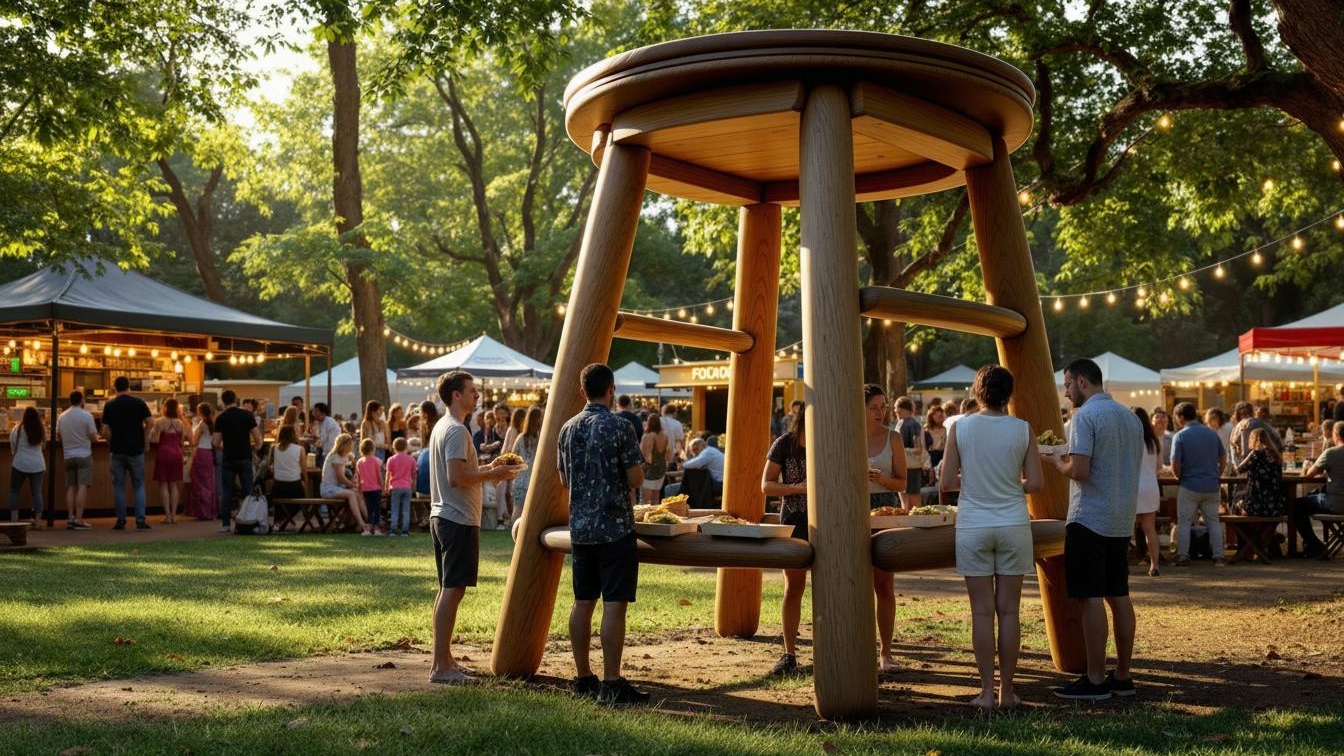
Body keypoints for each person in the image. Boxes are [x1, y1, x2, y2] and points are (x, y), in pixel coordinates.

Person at [941, 366, 1043, 710]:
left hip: (973, 524)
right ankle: (1007, 692)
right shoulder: (1023, 429)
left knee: (982, 613)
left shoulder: (960, 427)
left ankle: (985, 691)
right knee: (1010, 612)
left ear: (977, 391)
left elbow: (947, 482)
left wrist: (976, 484)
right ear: (1008, 395)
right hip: (1014, 522)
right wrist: (1011, 486)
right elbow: (1037, 483)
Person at [1046, 358, 1143, 701]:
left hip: (1089, 518)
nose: (1067, 391)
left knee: (1090, 599)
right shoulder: (1130, 417)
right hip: (1121, 518)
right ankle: (1123, 674)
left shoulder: (1084, 417)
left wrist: (1058, 462)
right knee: (1119, 596)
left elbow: (1081, 470)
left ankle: (1095, 679)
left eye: (1068, 384)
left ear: (1083, 382)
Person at [557, 364, 648, 704]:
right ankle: (612, 683)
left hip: (580, 529)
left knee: (582, 602)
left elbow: (564, 481)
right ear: (611, 388)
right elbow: (637, 479)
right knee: (614, 605)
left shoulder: (566, 429)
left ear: (582, 391)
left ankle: (583, 678)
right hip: (615, 528)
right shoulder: (620, 426)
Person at [428, 371, 518, 685]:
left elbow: (464, 472)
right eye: (472, 391)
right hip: (456, 518)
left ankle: (444, 659)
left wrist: (492, 470)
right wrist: (493, 474)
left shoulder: (445, 426)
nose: (477, 396)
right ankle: (441, 667)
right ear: (456, 395)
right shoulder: (455, 430)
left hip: (445, 517)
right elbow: (457, 478)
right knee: (452, 591)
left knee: (448, 590)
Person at [864, 384, 907, 674]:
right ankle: (858, 648)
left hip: (885, 510)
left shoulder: (894, 437)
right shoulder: (849, 434)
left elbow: (903, 482)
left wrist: (881, 480)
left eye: (883, 406)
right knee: (854, 584)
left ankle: (886, 652)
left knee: (885, 583)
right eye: (874, 407)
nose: (881, 412)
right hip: (854, 509)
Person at [762, 405, 807, 676]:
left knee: (831, 587)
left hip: (828, 522)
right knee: (793, 586)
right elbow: (766, 486)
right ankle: (789, 653)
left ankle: (832, 647)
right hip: (793, 521)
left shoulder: (830, 442)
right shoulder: (784, 444)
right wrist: (795, 489)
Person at [1170, 401, 1226, 567]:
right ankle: (1218, 556)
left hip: (1189, 485)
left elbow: (1175, 464)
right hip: (1211, 484)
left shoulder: (1180, 436)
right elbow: (1223, 458)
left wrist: (1179, 476)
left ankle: (1183, 556)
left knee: (1185, 522)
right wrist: (1217, 474)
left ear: (1181, 418)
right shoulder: (1212, 433)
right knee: (1213, 522)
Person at [102, 375, 153, 530]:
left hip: (117, 451)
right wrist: (145, 439)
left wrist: (112, 442)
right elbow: (150, 422)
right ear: (129, 386)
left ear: (114, 387)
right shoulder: (139, 403)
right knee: (138, 485)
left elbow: (105, 431)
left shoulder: (110, 404)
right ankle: (140, 520)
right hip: (136, 450)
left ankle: (121, 520)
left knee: (118, 486)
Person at [1292, 422, 1344, 558]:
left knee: (1296, 505)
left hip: (1335, 502)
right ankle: (1310, 547)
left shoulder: (1331, 453)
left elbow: (1309, 474)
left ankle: (1315, 546)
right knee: (1312, 495)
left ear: (1336, 435)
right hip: (1336, 500)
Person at [214, 389, 261, 533]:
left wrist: (224, 448)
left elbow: (215, 442)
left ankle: (226, 524)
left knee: (227, 491)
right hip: (245, 457)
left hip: (229, 458)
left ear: (223, 401)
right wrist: (254, 450)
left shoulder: (221, 417)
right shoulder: (247, 415)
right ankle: (246, 522)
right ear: (236, 399)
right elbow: (258, 439)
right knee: (247, 491)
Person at [56, 391, 98, 529]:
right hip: (84, 455)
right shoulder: (87, 416)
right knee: (82, 486)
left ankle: (70, 517)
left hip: (68, 455)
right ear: (82, 400)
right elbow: (93, 437)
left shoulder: (62, 416)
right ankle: (79, 519)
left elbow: (59, 436)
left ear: (69, 401)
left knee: (71, 486)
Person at [320, 433, 373, 535]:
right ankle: (361, 523)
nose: (351, 448)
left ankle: (369, 519)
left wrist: (352, 460)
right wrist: (351, 485)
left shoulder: (342, 456)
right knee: (352, 494)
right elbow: (341, 478)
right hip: (328, 488)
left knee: (357, 492)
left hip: (336, 487)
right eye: (350, 445)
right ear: (344, 445)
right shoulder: (335, 457)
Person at [1132, 408, 1163, 577]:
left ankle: (1121, 564)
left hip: (1132, 487)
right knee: (1149, 529)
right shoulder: (1153, 441)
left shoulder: (1129, 440)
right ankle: (1154, 565)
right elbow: (1159, 466)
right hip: (1151, 486)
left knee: (1125, 529)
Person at [150, 399, 188, 524]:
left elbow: (154, 440)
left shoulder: (159, 422)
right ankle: (174, 515)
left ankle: (167, 516)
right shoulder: (180, 423)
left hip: (163, 453)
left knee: (163, 484)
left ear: (165, 407)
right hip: (177, 453)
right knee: (174, 484)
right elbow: (182, 442)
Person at [8, 406, 46, 527]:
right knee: (37, 493)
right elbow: (44, 446)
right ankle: (38, 521)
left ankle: (14, 520)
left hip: (20, 463)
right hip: (38, 464)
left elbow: (13, 446)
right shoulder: (41, 429)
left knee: (14, 491)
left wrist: (16, 453)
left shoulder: (17, 429)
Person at [268, 424, 308, 530]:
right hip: (294, 485)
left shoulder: (274, 448)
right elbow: (304, 469)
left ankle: (279, 521)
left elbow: (270, 465)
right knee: (301, 499)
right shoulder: (300, 449)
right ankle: (286, 520)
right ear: (293, 435)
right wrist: (306, 480)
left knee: (279, 502)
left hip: (278, 486)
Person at [510, 405, 543, 519]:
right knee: (534, 513)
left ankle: (515, 535)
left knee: (517, 510)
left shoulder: (521, 437)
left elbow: (513, 456)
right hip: (535, 480)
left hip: (521, 479)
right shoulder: (541, 438)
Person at [893, 396, 925, 509]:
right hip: (908, 466)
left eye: (897, 409)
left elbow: (918, 449)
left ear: (903, 409)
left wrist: (901, 451)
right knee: (908, 499)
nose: (895, 412)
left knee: (910, 500)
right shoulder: (904, 423)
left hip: (910, 466)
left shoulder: (910, 424)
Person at [188, 403, 219, 520]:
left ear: (200, 412)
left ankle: (202, 511)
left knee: (198, 481)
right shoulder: (212, 424)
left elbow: (194, 441)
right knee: (208, 482)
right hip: (209, 453)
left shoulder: (202, 424)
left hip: (201, 452)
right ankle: (210, 510)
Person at [385, 436, 416, 537]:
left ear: (394, 447)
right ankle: (405, 531)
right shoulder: (411, 459)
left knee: (395, 509)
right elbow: (414, 474)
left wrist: (386, 487)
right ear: (406, 447)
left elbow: (388, 475)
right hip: (407, 486)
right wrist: (413, 485)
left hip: (395, 486)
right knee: (406, 510)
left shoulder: (391, 459)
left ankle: (393, 530)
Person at [356, 438, 386, 535]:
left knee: (368, 509)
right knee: (377, 509)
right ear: (373, 449)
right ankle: (376, 528)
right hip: (376, 489)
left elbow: (358, 477)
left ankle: (368, 528)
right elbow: (379, 475)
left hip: (365, 489)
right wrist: (383, 487)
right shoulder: (376, 461)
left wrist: (359, 489)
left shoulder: (359, 462)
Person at [639, 414, 670, 505]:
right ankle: (655, 518)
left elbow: (648, 458)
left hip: (649, 471)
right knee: (656, 499)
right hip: (661, 470)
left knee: (645, 500)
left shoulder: (648, 436)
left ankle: (645, 519)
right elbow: (669, 455)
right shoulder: (665, 436)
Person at [416, 400, 441, 498]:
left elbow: (425, 443)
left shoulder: (433, 424)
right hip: (432, 452)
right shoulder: (436, 422)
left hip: (430, 453)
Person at [308, 402, 341, 470]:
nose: (314, 413)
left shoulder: (327, 421)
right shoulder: (323, 421)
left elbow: (322, 440)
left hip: (329, 453)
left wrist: (311, 441)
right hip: (328, 452)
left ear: (323, 413)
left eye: (316, 410)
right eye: (314, 410)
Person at [923, 404, 947, 479]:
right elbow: (924, 450)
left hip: (943, 458)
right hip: (931, 459)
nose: (940, 418)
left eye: (941, 416)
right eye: (937, 416)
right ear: (932, 416)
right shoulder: (926, 430)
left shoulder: (946, 429)